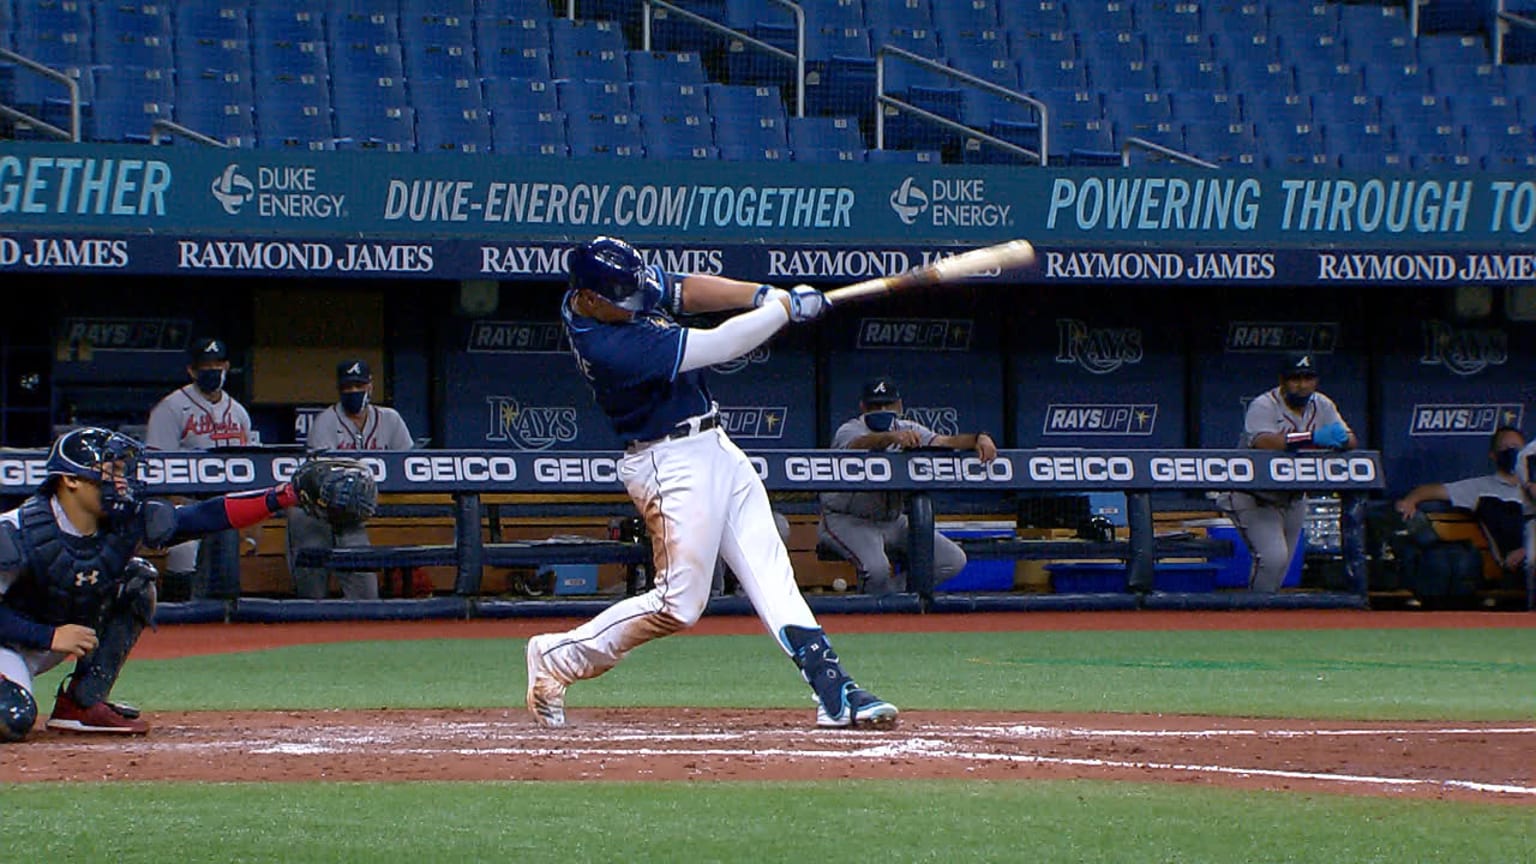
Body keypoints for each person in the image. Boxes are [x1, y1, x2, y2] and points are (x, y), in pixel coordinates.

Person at [525, 236, 897, 729]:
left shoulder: (613, 289)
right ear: (590, 299)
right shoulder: (609, 346)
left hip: (716, 446)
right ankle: (557, 657)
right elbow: (718, 345)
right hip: (668, 462)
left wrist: (762, 295)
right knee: (679, 605)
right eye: (624, 302)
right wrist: (783, 311)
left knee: (771, 572)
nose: (638, 304)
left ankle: (835, 690)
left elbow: (686, 290)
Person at [1, 427, 308, 739]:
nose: (121, 482)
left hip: (51, 639)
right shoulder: (15, 531)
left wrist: (282, 496)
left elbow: (202, 517)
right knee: (11, 719)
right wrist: (48, 635)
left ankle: (82, 703)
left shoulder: (121, 522)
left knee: (137, 578)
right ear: (71, 480)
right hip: (10, 644)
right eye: (112, 471)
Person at [817, 377, 997, 595]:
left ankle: (891, 597)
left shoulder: (908, 429)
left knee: (952, 560)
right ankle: (868, 619)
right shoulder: (850, 429)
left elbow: (945, 441)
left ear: (899, 406)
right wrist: (889, 437)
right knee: (877, 570)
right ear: (863, 407)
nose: (882, 410)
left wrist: (980, 438)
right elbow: (858, 444)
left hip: (893, 521)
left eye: (887, 404)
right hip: (848, 519)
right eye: (875, 406)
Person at [1221, 353, 1357, 593]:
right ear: (1282, 381)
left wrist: (1343, 440)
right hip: (1253, 495)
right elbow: (1263, 441)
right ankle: (1253, 617)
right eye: (1295, 378)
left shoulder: (1322, 404)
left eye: (1308, 378)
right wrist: (1311, 438)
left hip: (1293, 498)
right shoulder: (1265, 404)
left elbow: (1351, 439)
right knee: (1273, 558)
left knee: (1280, 568)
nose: (1302, 385)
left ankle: (1263, 620)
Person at [287, 359, 414, 600]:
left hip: (370, 510)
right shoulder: (326, 422)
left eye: (359, 385)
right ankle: (311, 614)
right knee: (311, 588)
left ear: (371, 385)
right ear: (339, 389)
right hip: (329, 513)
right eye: (348, 387)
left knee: (366, 596)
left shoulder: (391, 419)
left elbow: (407, 466)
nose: (354, 392)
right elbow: (319, 478)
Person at [145, 337, 253, 600]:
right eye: (205, 365)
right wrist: (179, 512)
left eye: (218, 364)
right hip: (184, 501)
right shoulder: (171, 408)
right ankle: (180, 618)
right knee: (185, 550)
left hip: (226, 500)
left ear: (227, 366)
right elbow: (157, 468)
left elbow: (251, 471)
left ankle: (223, 618)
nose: (213, 370)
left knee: (227, 531)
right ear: (192, 370)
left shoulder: (238, 412)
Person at [1395, 426, 1529, 578]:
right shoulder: (1480, 488)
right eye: (1504, 448)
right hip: (1518, 566)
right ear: (1493, 455)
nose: (1511, 453)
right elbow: (1430, 490)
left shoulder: (1531, 486)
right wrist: (1410, 500)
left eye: (1516, 448)